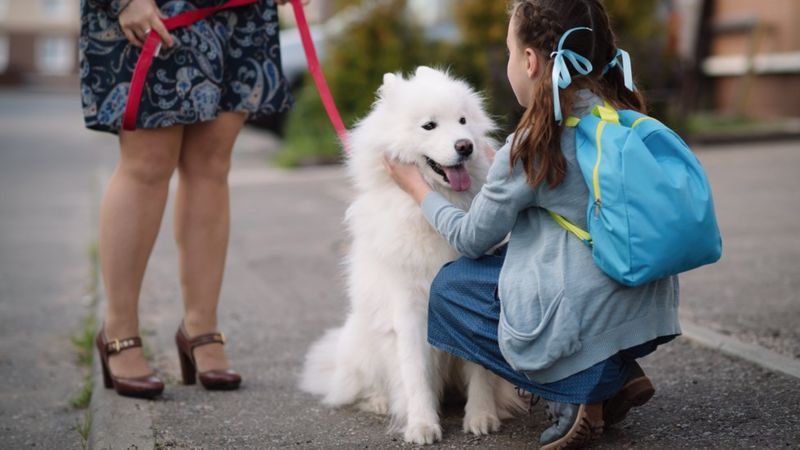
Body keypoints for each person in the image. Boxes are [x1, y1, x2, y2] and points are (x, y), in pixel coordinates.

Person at [383, 0, 680, 448]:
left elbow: (469, 240)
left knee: (451, 288)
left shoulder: (532, 144)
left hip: (585, 312)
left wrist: (415, 187)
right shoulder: (623, 114)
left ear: (529, 61)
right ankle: (615, 371)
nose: (507, 64)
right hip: (648, 312)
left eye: (508, 53)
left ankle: (569, 390)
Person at [80, 0, 302, 398]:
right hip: (155, 8)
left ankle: (201, 327)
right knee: (147, 162)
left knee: (212, 164)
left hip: (237, 12)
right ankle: (119, 329)